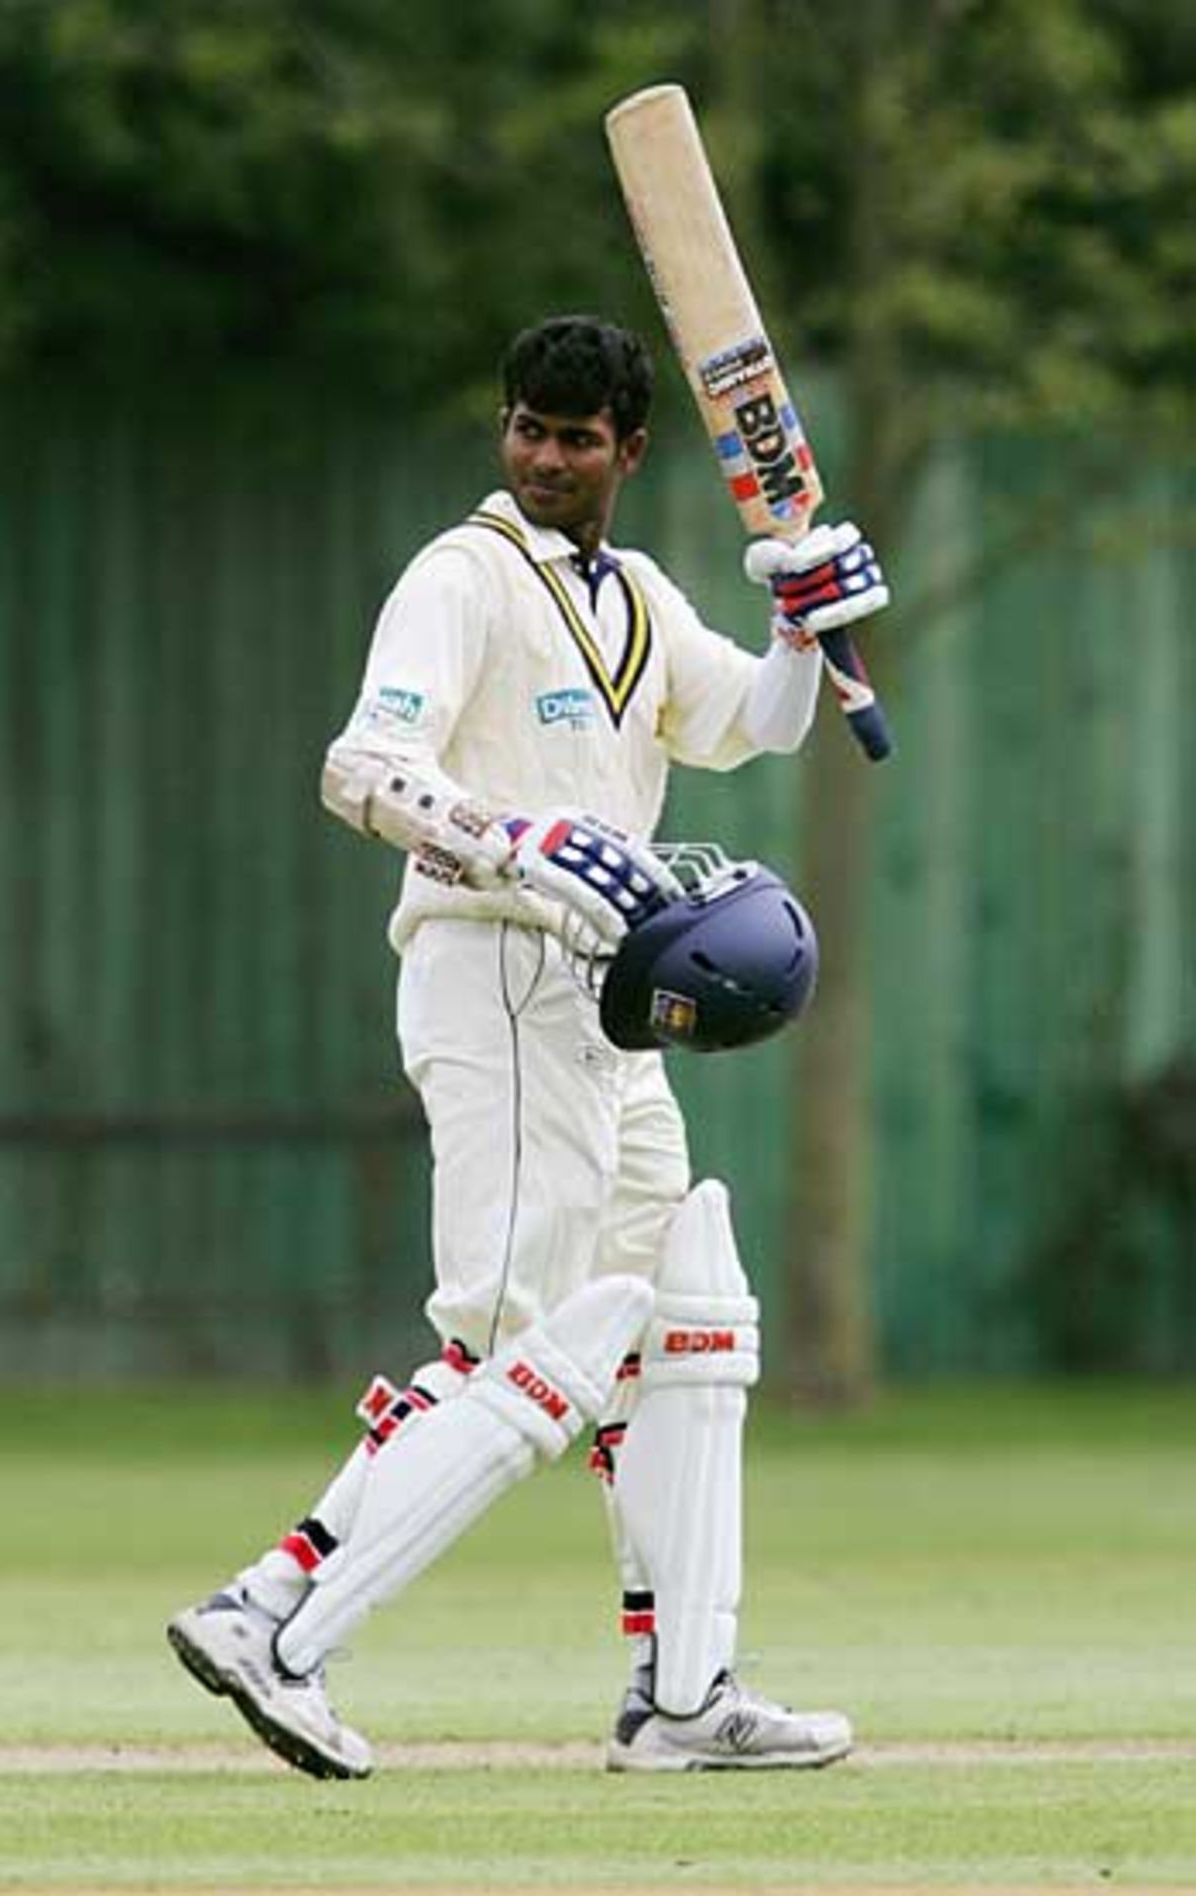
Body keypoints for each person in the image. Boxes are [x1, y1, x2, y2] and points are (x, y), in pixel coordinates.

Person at [167, 315, 889, 1779]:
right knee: (512, 1340)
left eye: (577, 439)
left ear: (631, 451)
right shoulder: (465, 575)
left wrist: (798, 628)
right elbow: (364, 768)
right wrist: (518, 838)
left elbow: (751, 725)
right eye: (528, 430)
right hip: (492, 968)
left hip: (616, 999)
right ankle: (273, 1615)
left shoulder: (635, 596)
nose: (547, 458)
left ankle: (685, 1692)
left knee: (681, 1313)